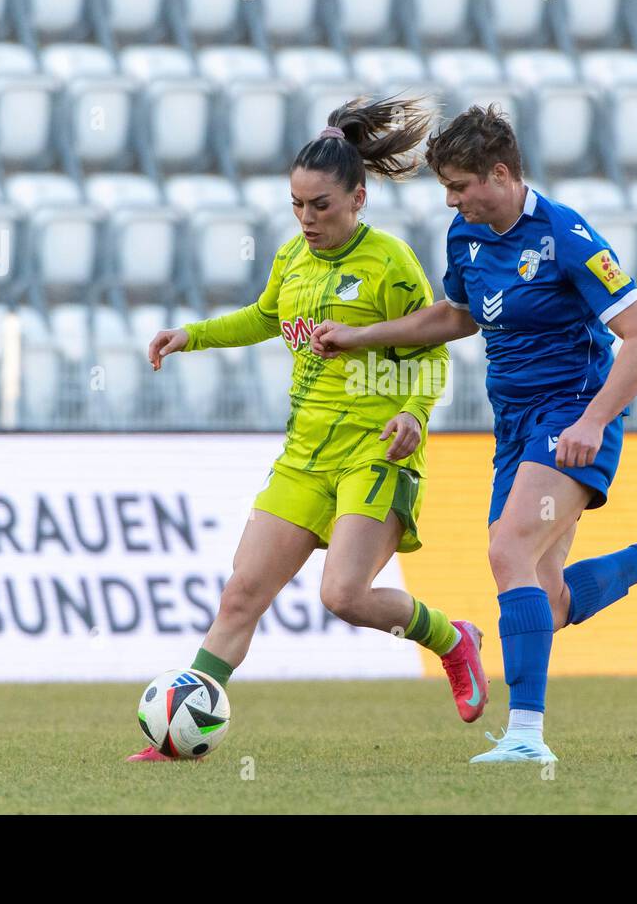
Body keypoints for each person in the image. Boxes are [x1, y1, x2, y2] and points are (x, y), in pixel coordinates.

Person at [311, 104, 637, 764]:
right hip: (514, 426)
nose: (450, 200)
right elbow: (456, 317)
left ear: (499, 175)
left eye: (459, 186)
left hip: (571, 416)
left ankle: (526, 738)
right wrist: (361, 336)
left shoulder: (567, 235)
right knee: (548, 600)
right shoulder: (464, 237)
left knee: (508, 553)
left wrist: (592, 421)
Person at [128, 96, 488, 760]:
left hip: (375, 453)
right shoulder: (293, 259)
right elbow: (266, 316)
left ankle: (451, 639)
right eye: (297, 205)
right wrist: (193, 335)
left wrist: (412, 413)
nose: (306, 218)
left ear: (358, 200)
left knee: (344, 596)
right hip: (305, 455)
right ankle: (179, 738)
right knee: (241, 595)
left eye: (320, 205)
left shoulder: (389, 263)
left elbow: (434, 353)